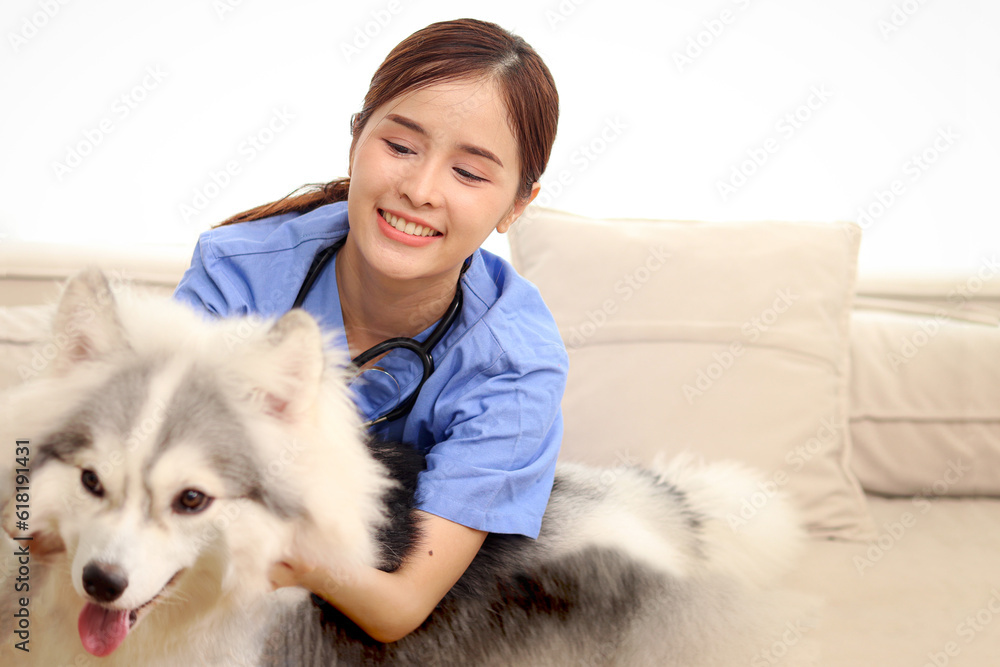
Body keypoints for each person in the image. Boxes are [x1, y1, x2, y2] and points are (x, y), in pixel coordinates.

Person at [172, 18, 567, 643]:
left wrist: (288, 549)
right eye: (401, 146)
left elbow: (398, 606)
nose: (419, 189)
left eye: (470, 173)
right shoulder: (239, 273)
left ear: (517, 205)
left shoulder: (514, 364)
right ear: (357, 138)